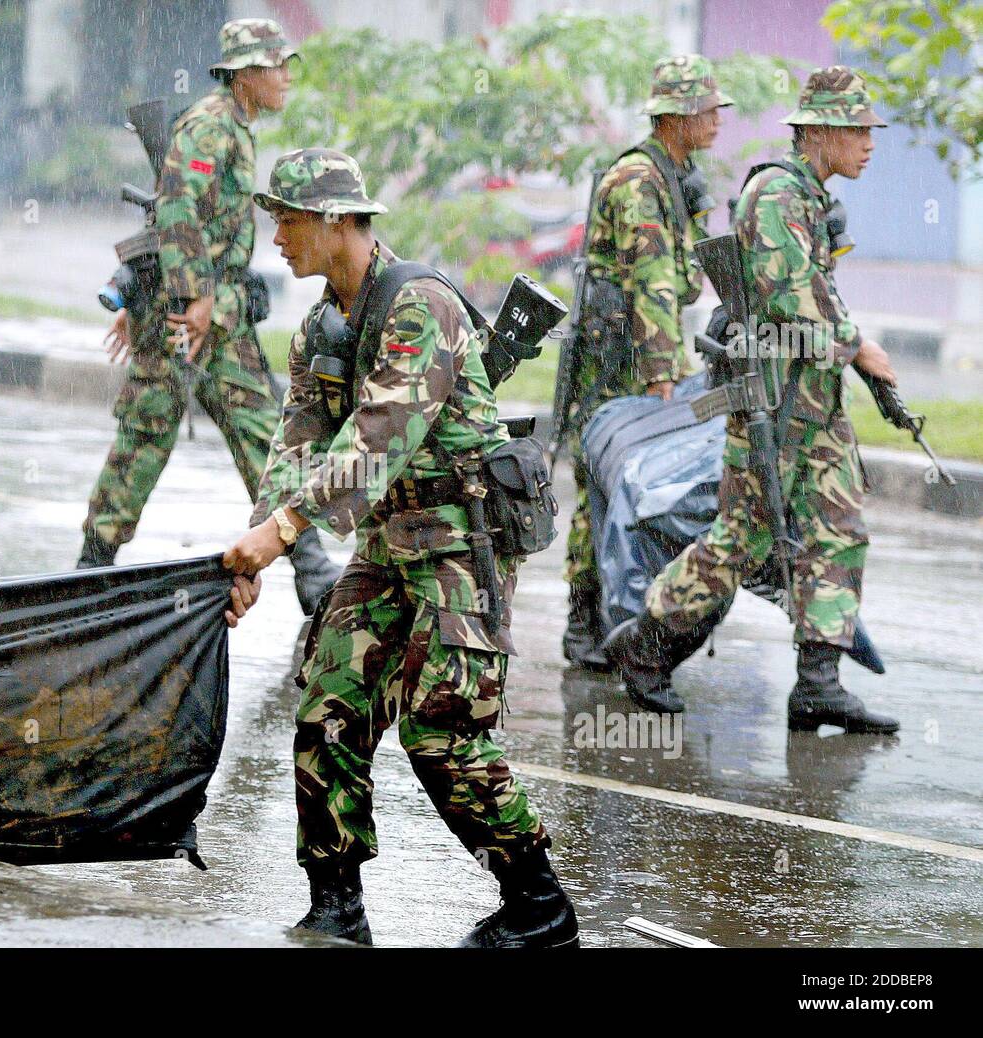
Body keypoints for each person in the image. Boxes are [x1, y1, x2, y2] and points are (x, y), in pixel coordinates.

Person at [221, 148, 579, 948]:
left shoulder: (420, 305)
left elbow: (378, 438)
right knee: (329, 704)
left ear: (338, 222)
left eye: (287, 219)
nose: (275, 237)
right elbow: (297, 445)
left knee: (442, 729)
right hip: (390, 537)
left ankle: (539, 910)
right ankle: (336, 907)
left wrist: (281, 534)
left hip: (463, 536)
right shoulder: (322, 325)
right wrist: (256, 552)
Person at [606, 67, 900, 734]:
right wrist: (859, 348)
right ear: (819, 131)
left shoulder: (812, 199)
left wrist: (852, 361)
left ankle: (818, 683)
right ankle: (645, 647)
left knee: (838, 532)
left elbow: (818, 295)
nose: (869, 143)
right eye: (857, 130)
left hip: (811, 402)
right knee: (740, 541)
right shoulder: (774, 194)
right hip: (771, 405)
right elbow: (789, 295)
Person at [78, 17, 340, 613]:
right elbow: (175, 208)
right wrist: (184, 296)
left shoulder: (235, 128)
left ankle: (313, 573)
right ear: (246, 73)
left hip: (218, 317)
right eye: (277, 66)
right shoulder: (209, 127)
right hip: (188, 317)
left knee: (267, 436)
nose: (285, 78)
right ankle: (89, 572)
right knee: (145, 438)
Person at [562, 54, 732, 667]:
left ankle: (624, 611)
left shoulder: (674, 174)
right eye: (708, 109)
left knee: (638, 483)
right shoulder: (639, 179)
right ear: (678, 115)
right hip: (620, 360)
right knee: (605, 481)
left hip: (641, 349)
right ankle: (586, 621)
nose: (717, 120)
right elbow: (654, 282)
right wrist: (662, 373)